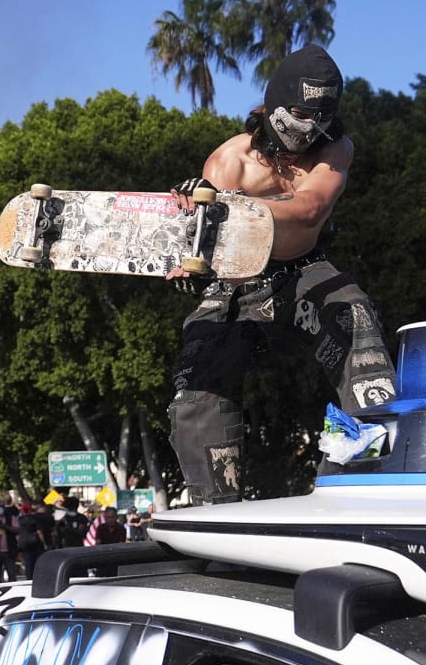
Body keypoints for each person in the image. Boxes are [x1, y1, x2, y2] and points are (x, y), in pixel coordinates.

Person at [168, 45, 397, 504]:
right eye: (300, 114)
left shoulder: (335, 148)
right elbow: (204, 252)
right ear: (274, 107)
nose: (310, 128)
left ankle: (355, 475)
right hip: (234, 280)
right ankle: (215, 503)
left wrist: (233, 208)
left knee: (354, 315)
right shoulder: (229, 162)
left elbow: (311, 208)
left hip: (303, 268)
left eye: (321, 117)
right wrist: (192, 261)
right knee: (196, 378)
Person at [15, 503, 48, 579]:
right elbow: (39, 531)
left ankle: (29, 577)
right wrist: (44, 542)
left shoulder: (19, 520)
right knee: (35, 561)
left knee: (27, 561)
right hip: (34, 542)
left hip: (23, 542)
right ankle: (36, 577)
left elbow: (17, 531)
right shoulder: (35, 518)